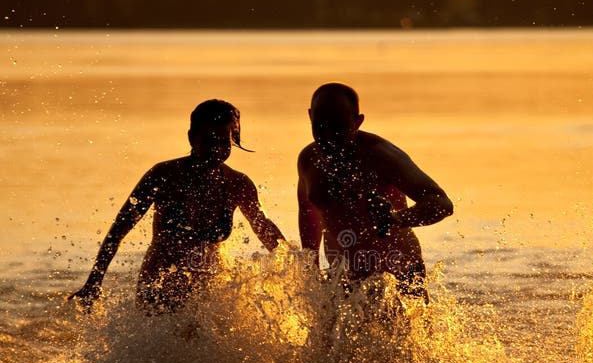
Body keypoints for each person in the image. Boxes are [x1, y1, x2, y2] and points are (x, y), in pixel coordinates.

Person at [70, 99, 285, 311]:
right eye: (208, 140)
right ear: (191, 138)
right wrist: (94, 282)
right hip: (157, 290)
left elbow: (263, 227)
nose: (215, 149)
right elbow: (118, 230)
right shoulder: (163, 175)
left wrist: (299, 269)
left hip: (209, 299)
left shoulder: (238, 184)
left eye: (223, 142)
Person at [297, 83, 453, 300]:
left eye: (338, 127)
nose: (329, 136)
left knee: (402, 333)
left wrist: (396, 219)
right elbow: (308, 211)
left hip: (397, 272)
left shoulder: (381, 156)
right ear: (310, 117)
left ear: (357, 122)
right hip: (342, 277)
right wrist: (310, 268)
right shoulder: (308, 159)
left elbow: (442, 204)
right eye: (320, 126)